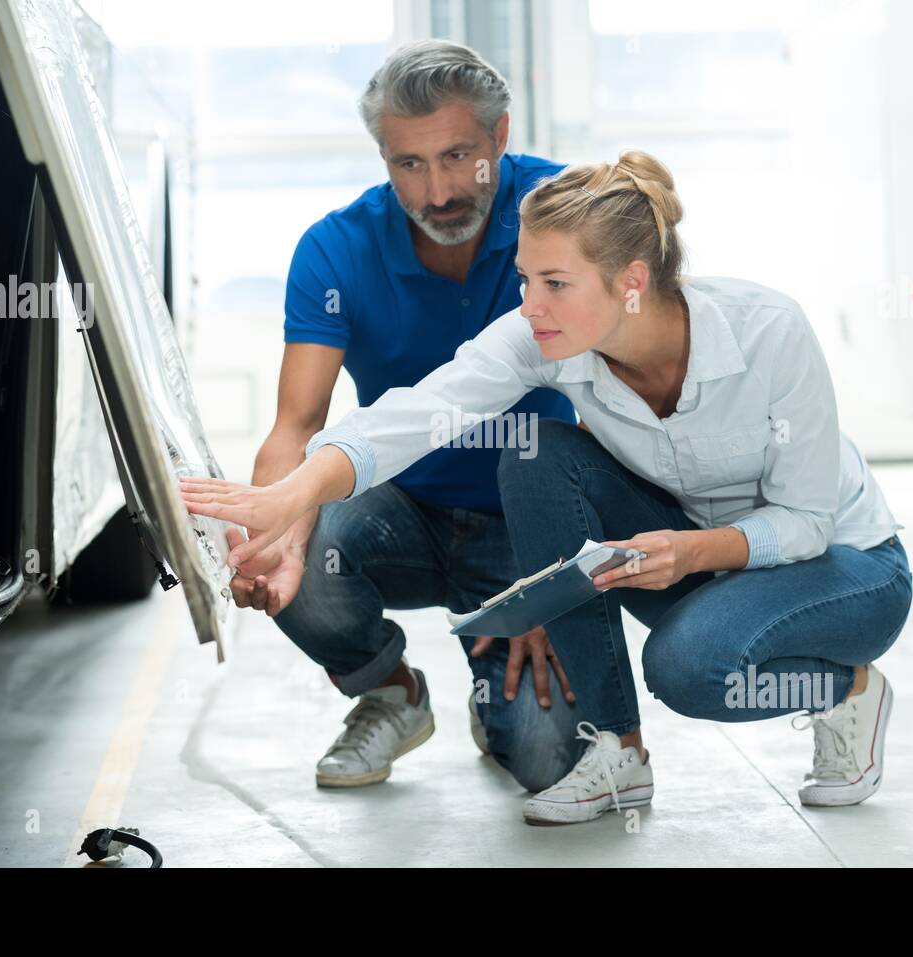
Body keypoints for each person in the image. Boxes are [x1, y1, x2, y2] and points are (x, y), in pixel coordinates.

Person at [187, 149, 913, 826]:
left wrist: (693, 551)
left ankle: (850, 691)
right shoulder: (543, 338)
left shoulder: (768, 332)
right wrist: (298, 490)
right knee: (536, 457)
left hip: (841, 569)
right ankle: (616, 750)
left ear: (631, 283)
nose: (530, 304)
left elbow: (808, 521)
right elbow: (419, 412)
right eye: (526, 280)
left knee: (688, 667)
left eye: (555, 284)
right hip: (692, 556)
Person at [237, 39, 587, 794]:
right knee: (297, 551)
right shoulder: (336, 250)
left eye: (460, 156)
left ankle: (495, 703)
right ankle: (393, 689)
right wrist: (266, 528)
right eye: (410, 165)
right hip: (399, 507)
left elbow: (620, 414)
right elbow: (296, 426)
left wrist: (551, 580)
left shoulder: (567, 212)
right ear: (383, 157)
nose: (438, 193)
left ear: (500, 136)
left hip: (533, 521)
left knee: (548, 763)